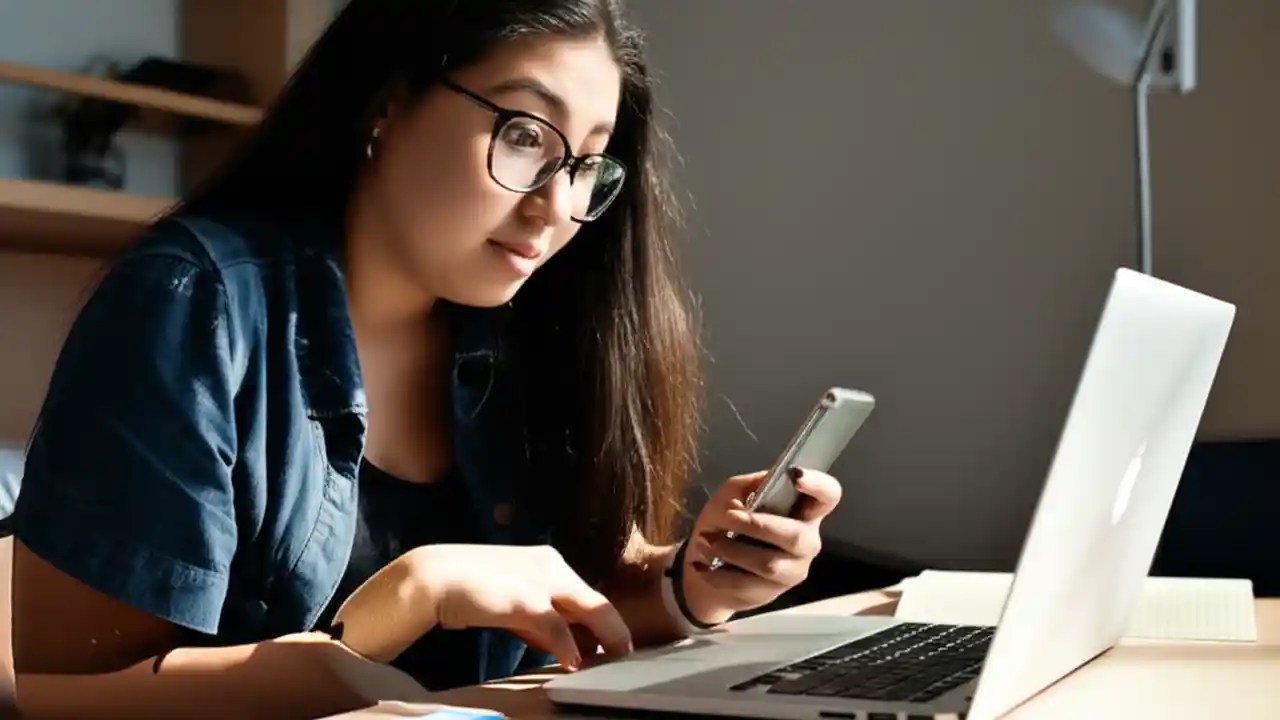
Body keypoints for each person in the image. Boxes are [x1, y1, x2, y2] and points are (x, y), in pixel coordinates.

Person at [8, 0, 843, 717]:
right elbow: (57, 694)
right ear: (388, 101)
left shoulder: (529, 332)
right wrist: (379, 622)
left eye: (586, 163)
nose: (557, 208)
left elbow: (589, 597)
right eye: (523, 135)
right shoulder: (199, 305)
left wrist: (702, 583)